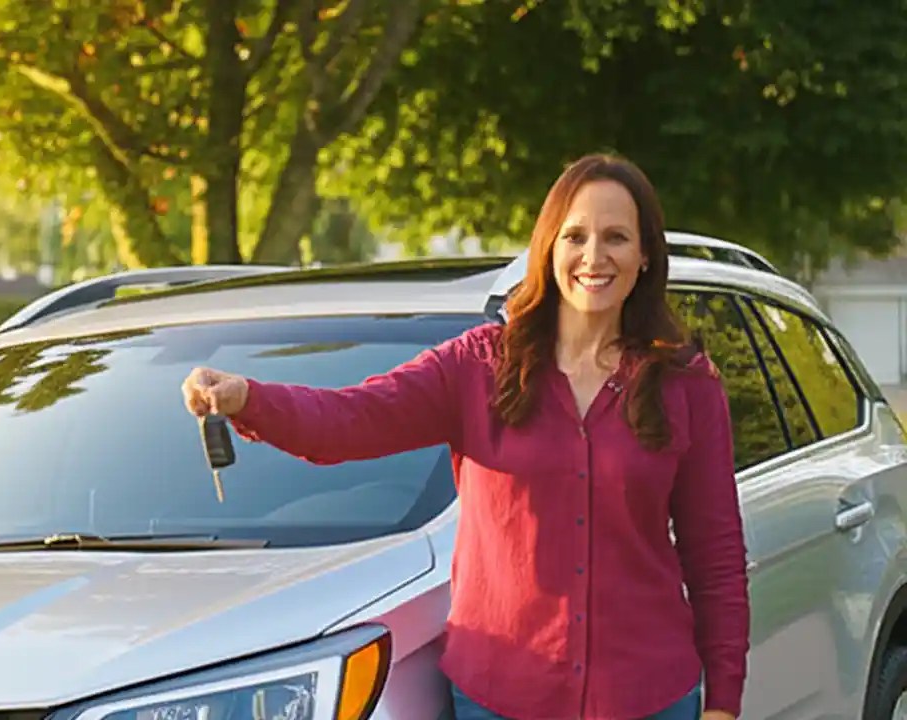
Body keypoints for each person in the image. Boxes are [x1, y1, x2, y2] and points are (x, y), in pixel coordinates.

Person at [181, 153, 749, 720]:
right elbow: (348, 421)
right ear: (548, 247)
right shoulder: (475, 369)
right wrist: (248, 397)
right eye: (575, 236)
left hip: (648, 699)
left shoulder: (687, 385)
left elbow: (715, 556)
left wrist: (723, 703)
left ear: (646, 254)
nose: (594, 256)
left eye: (617, 237)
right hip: (500, 698)